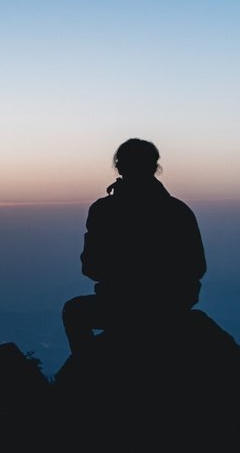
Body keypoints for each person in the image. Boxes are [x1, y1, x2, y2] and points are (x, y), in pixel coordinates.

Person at [62, 138, 206, 354]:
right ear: (154, 167)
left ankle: (90, 368)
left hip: (121, 304)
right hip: (171, 304)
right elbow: (197, 267)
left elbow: (91, 267)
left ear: (119, 167)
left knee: (74, 312)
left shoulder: (104, 211)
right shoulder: (177, 210)